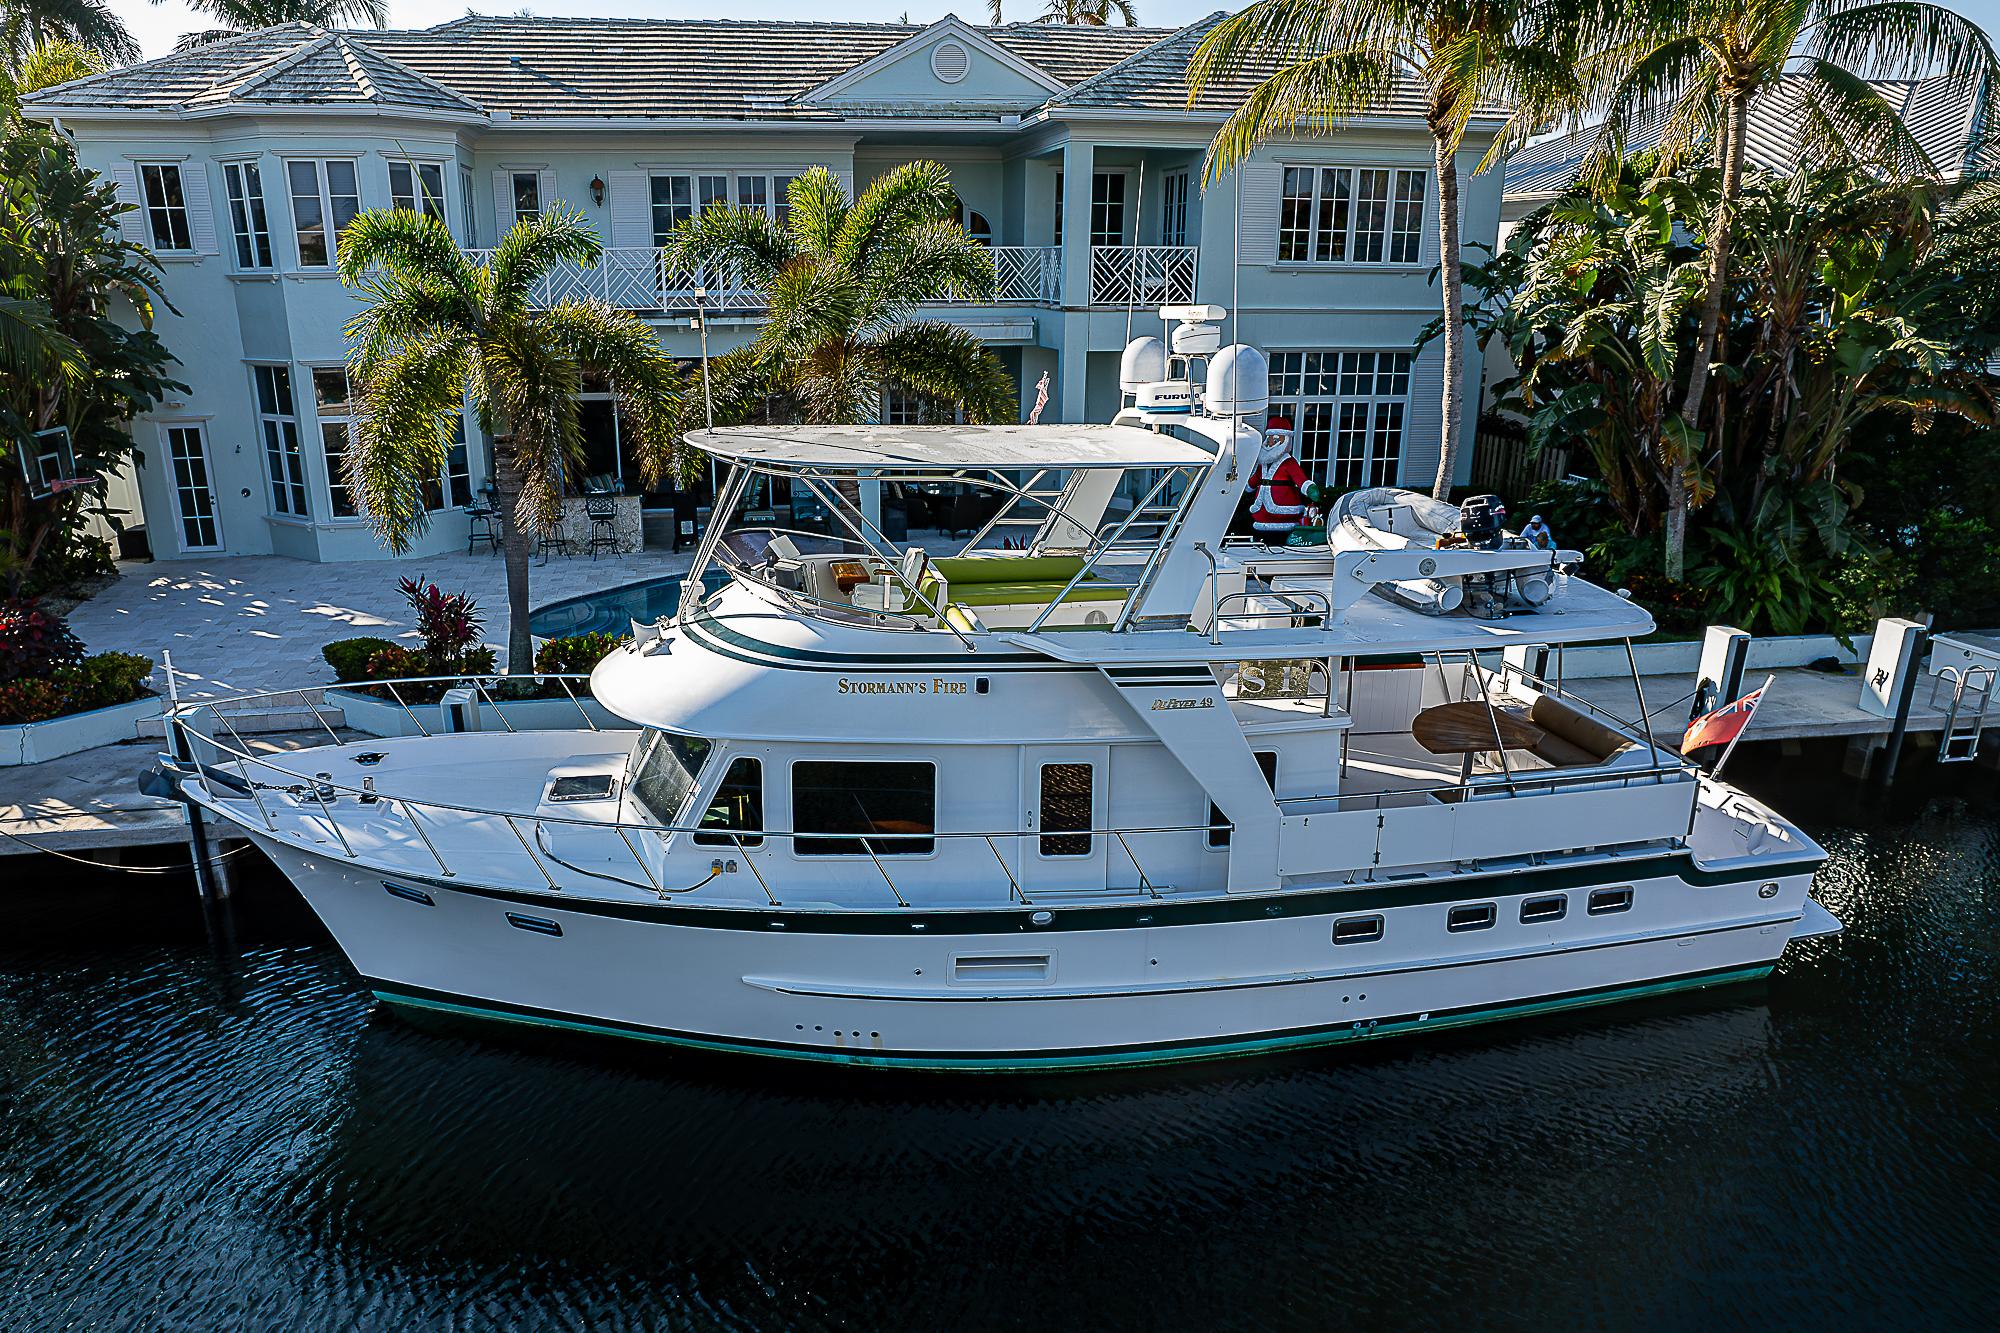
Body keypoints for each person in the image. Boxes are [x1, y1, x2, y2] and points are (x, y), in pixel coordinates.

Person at [1245, 415, 1320, 542]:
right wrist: (1245, 487)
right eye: (1268, 438)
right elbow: (1254, 480)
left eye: (1274, 439)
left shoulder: (1288, 462)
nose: (1270, 443)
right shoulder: (1262, 462)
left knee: (1280, 543)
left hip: (1283, 511)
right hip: (1262, 512)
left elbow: (1299, 478)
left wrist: (1309, 488)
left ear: (1285, 440)